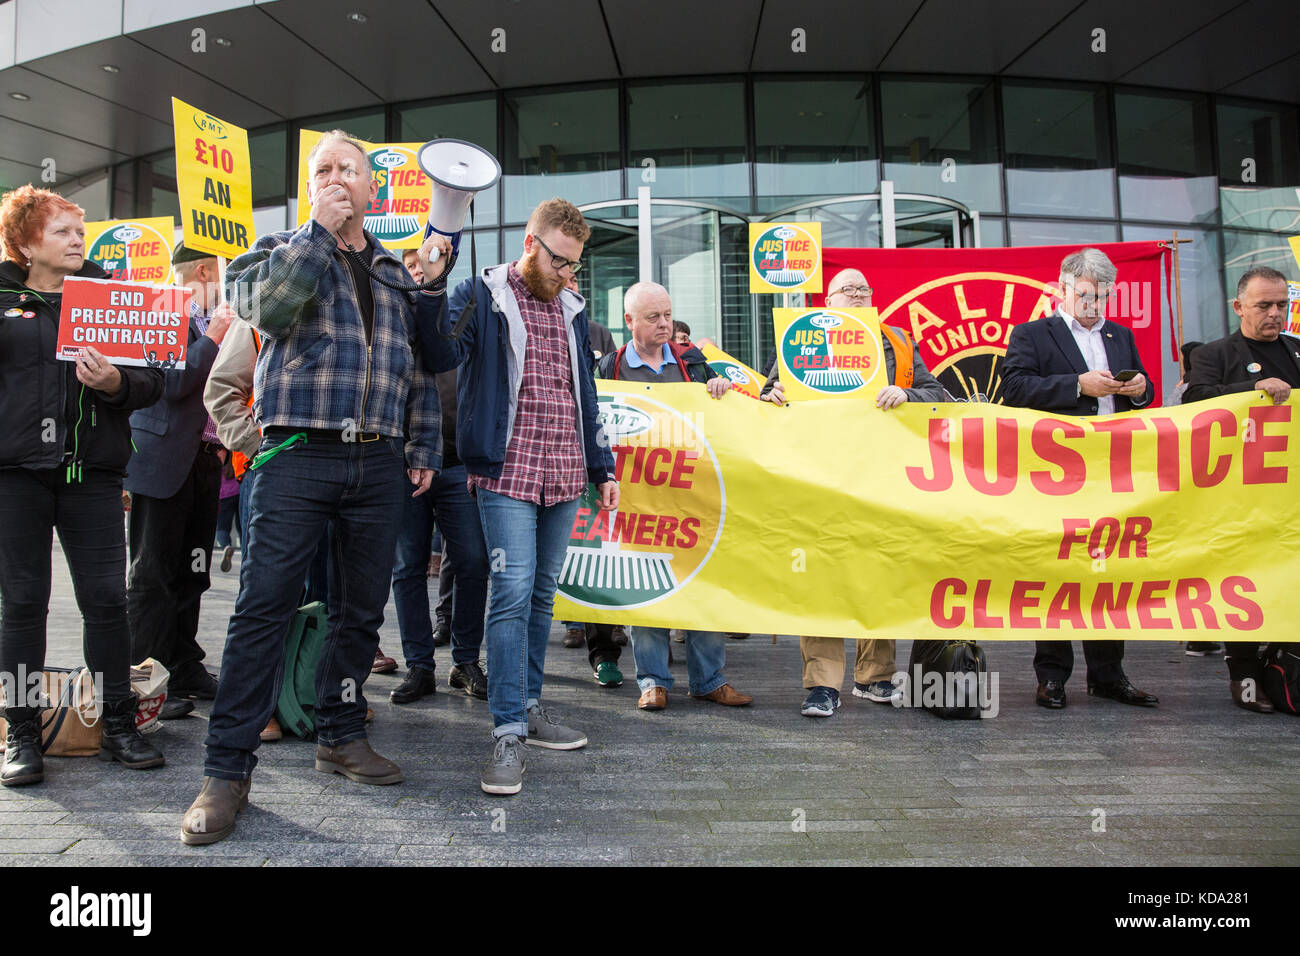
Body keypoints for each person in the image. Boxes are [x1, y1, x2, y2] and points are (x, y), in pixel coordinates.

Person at [181, 130, 444, 844]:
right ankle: (226, 770)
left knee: (360, 610)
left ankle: (339, 731)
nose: (334, 178)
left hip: (378, 460)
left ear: (371, 189)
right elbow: (267, 313)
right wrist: (318, 236)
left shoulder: (395, 273)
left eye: (347, 170)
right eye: (322, 170)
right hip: (296, 454)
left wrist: (421, 444)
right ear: (311, 189)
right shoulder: (271, 255)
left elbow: (418, 369)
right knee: (263, 610)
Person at [416, 198, 617, 796]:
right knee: (509, 591)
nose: (567, 275)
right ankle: (505, 731)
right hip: (506, 471)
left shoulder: (574, 308)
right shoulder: (481, 295)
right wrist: (432, 287)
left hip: (566, 473)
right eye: (559, 261)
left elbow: (583, 391)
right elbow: (438, 354)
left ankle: (528, 706)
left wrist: (601, 464)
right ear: (531, 242)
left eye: (575, 266)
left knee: (539, 595)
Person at [0, 184, 165, 786]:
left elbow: (154, 383)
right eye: (63, 230)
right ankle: (21, 730)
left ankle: (118, 721)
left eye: (80, 230)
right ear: (25, 242)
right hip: (14, 477)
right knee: (20, 604)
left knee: (105, 601)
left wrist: (117, 382)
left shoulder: (110, 300)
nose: (78, 240)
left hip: (92, 475)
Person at [761, 268, 946, 717]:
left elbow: (936, 392)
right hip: (819, 478)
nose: (859, 296)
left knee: (877, 570)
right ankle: (823, 684)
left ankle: (875, 677)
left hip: (879, 479)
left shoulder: (898, 341)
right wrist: (773, 392)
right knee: (821, 576)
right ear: (829, 301)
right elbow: (765, 395)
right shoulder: (800, 340)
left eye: (865, 290)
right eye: (849, 290)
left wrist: (905, 394)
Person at [1001, 247, 1159, 711]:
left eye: (1103, 296)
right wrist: (1076, 385)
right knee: (1056, 572)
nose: (1095, 304)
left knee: (1109, 571)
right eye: (1087, 295)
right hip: (1056, 472)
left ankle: (1108, 675)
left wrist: (1139, 390)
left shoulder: (1121, 334)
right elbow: (1014, 389)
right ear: (1063, 289)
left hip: (1112, 471)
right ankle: (1052, 676)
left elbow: (1141, 392)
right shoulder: (1032, 334)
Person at [596, 281, 752, 710]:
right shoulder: (608, 370)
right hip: (636, 503)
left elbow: (730, 419)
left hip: (693, 499)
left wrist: (721, 391)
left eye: (668, 314)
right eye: (653, 317)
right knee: (645, 589)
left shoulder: (694, 364)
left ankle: (709, 680)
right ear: (629, 322)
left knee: (702, 584)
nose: (665, 324)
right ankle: (653, 681)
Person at [1183, 265, 1296, 713]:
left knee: (1291, 583)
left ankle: (1285, 667)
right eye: (1264, 305)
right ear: (1238, 307)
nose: (1274, 314)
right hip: (1240, 496)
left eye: (1282, 305)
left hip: (1291, 495)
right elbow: (1192, 404)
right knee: (1244, 585)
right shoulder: (1214, 354)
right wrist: (1252, 389)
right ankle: (1245, 678)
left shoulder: (1297, 350)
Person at [124, 243, 234, 702]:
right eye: (222, 271)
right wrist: (211, 342)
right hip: (163, 459)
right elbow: (168, 383)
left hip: (206, 459)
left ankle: (183, 663)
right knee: (154, 571)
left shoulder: (216, 321)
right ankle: (146, 680)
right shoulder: (159, 309)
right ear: (206, 270)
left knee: (193, 570)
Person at [389, 246, 490, 705]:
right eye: (410, 269)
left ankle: (465, 660)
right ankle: (419, 665)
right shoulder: (390, 323)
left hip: (456, 466)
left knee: (472, 561)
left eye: (426, 269)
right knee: (408, 568)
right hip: (401, 465)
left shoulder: (461, 319)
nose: (418, 275)